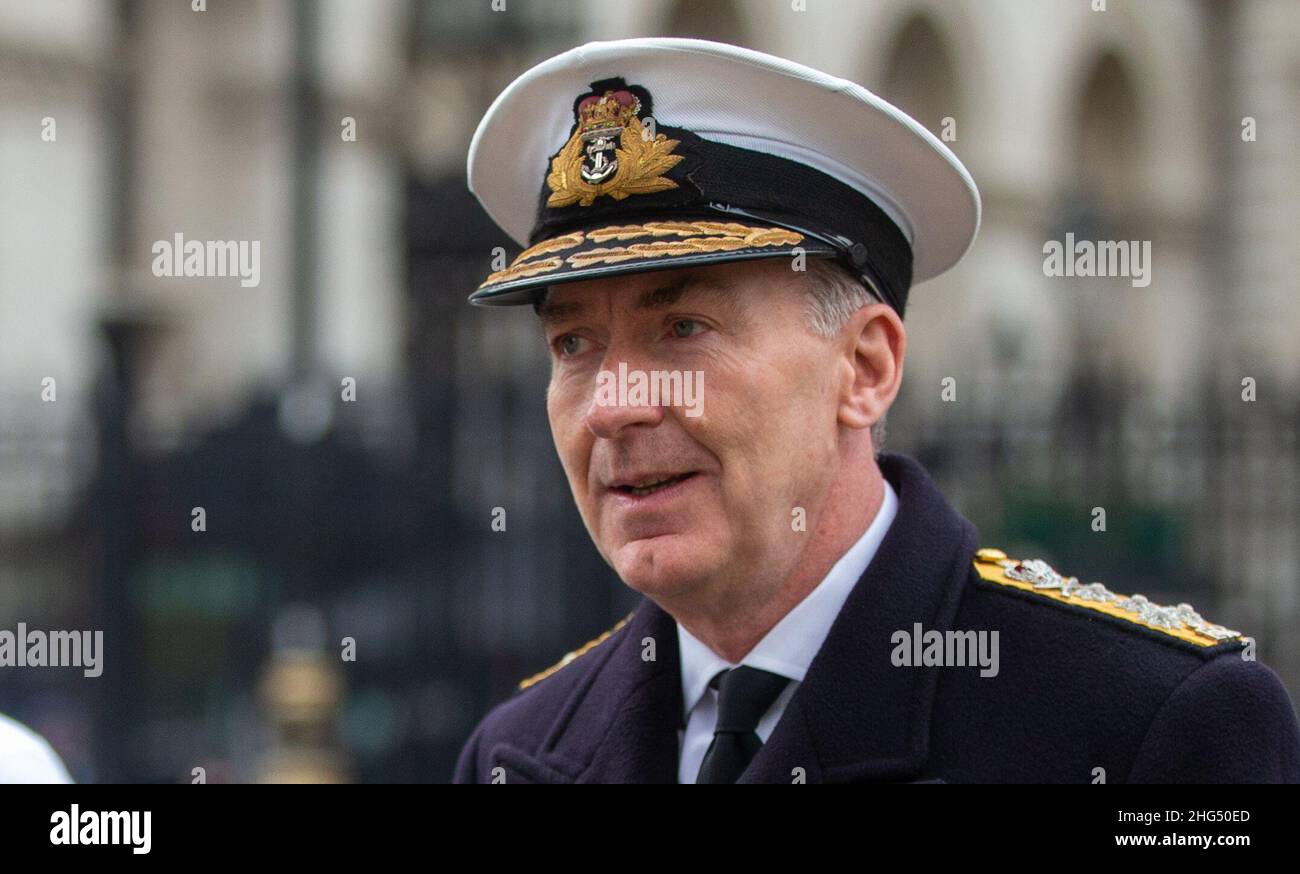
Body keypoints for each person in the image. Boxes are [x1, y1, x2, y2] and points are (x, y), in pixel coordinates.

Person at [452, 37, 1300, 783]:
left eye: (682, 328)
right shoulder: (517, 751)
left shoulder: (1146, 726)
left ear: (865, 367)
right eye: (574, 346)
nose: (614, 405)